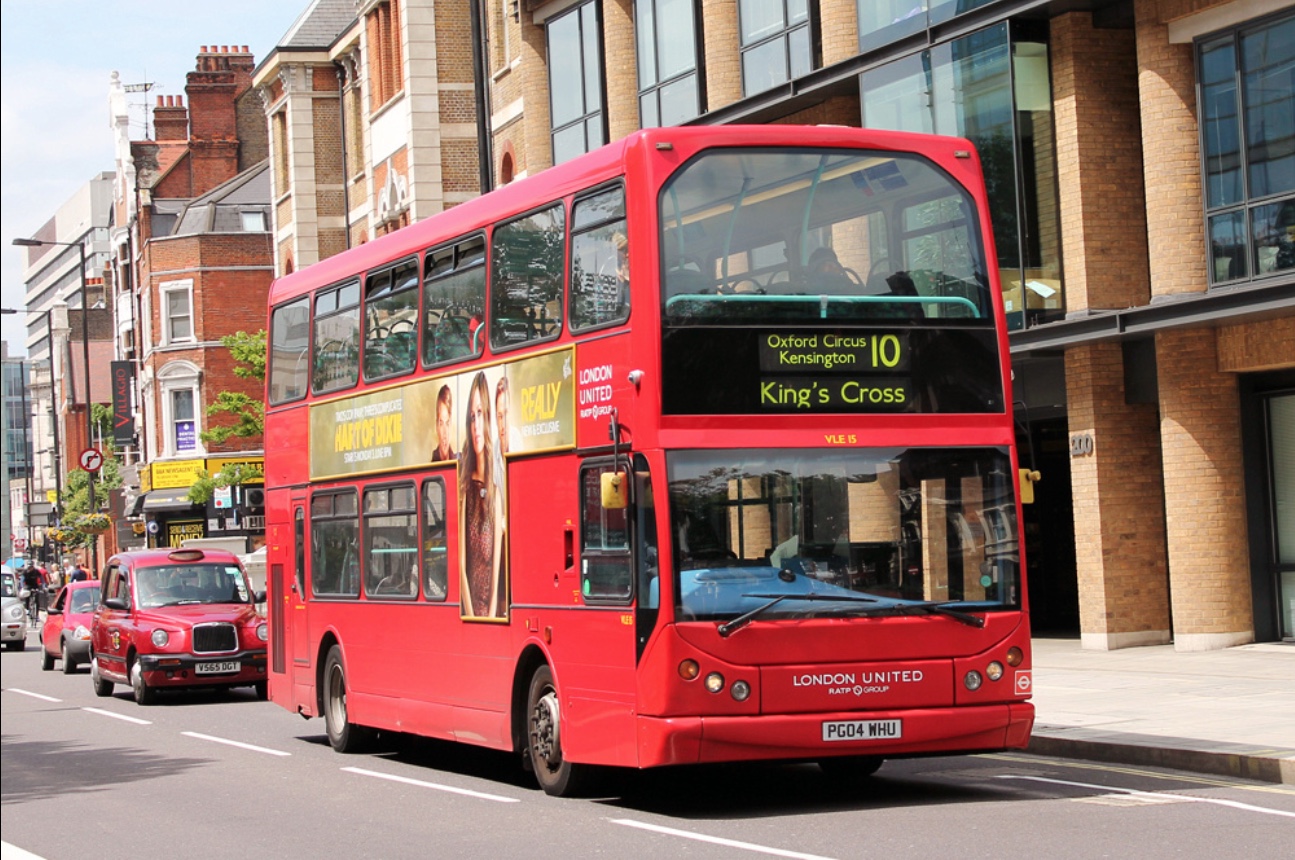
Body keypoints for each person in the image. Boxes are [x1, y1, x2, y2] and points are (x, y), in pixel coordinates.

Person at [459, 372, 506, 619]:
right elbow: (461, 566)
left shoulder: (495, 495)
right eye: (471, 416)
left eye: (481, 414)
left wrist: (488, 619)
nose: (476, 425)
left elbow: (497, 573)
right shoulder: (465, 490)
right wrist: (471, 617)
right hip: (469, 614)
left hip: (490, 615)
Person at [433, 384, 456, 462]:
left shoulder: (461, 464)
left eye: (447, 423)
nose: (445, 433)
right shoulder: (429, 466)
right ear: (436, 426)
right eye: (441, 423)